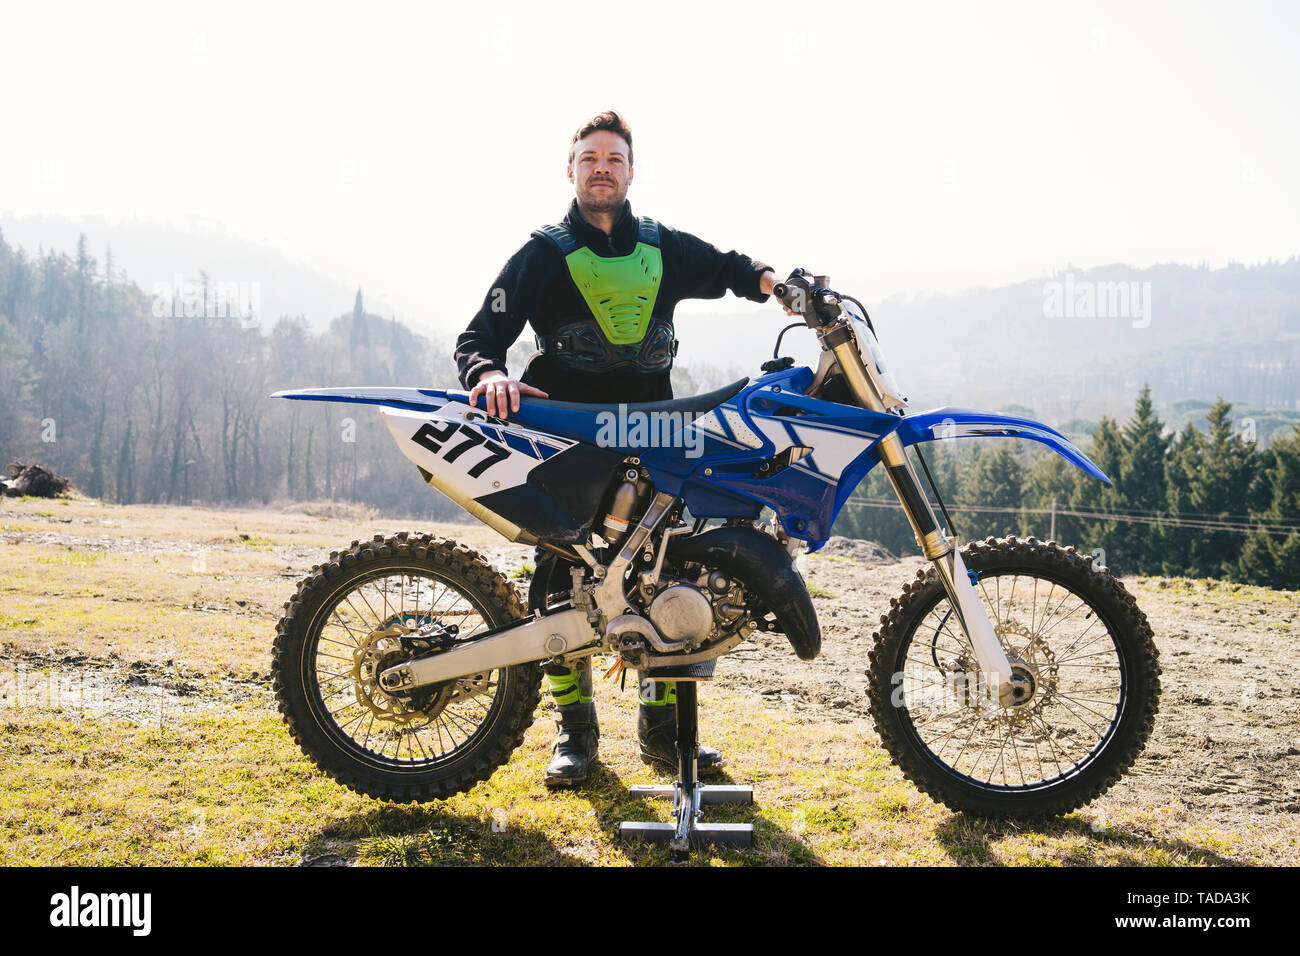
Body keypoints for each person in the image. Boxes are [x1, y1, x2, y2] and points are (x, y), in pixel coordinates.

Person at [454, 110, 785, 787]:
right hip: (563, 443)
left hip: (652, 438)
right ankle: (574, 733)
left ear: (631, 171)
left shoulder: (665, 248)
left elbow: (728, 269)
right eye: (588, 158)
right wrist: (488, 375)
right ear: (571, 170)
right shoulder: (541, 255)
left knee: (664, 577)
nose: (600, 167)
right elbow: (478, 340)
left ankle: (663, 735)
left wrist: (774, 282)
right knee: (557, 584)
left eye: (613, 158)